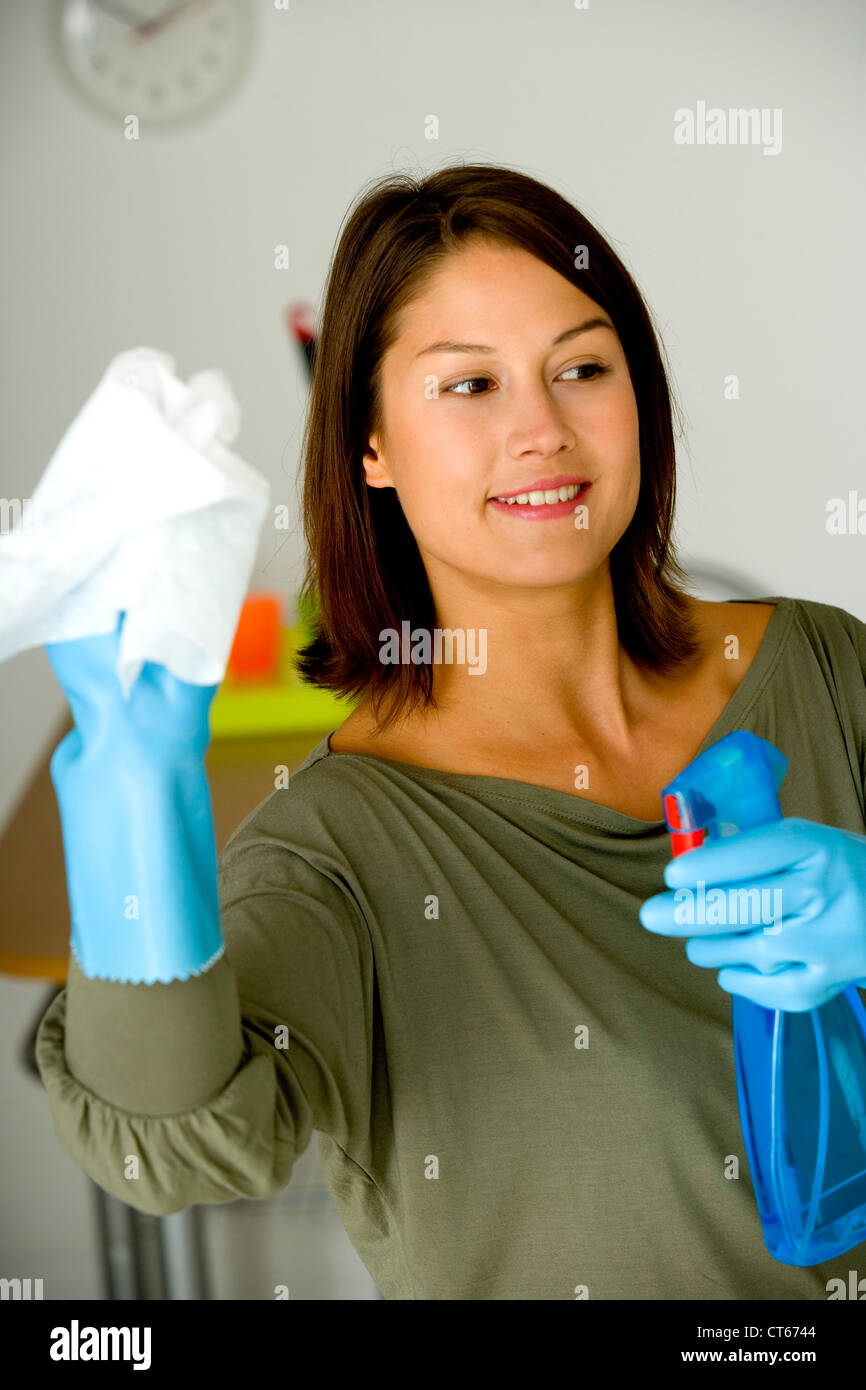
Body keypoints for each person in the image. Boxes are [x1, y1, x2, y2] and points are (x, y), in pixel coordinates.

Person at [36, 163, 866, 1300]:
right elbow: (169, 1149)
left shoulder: (826, 667)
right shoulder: (341, 854)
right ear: (368, 448)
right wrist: (134, 790)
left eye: (581, 367)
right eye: (467, 386)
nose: (541, 429)